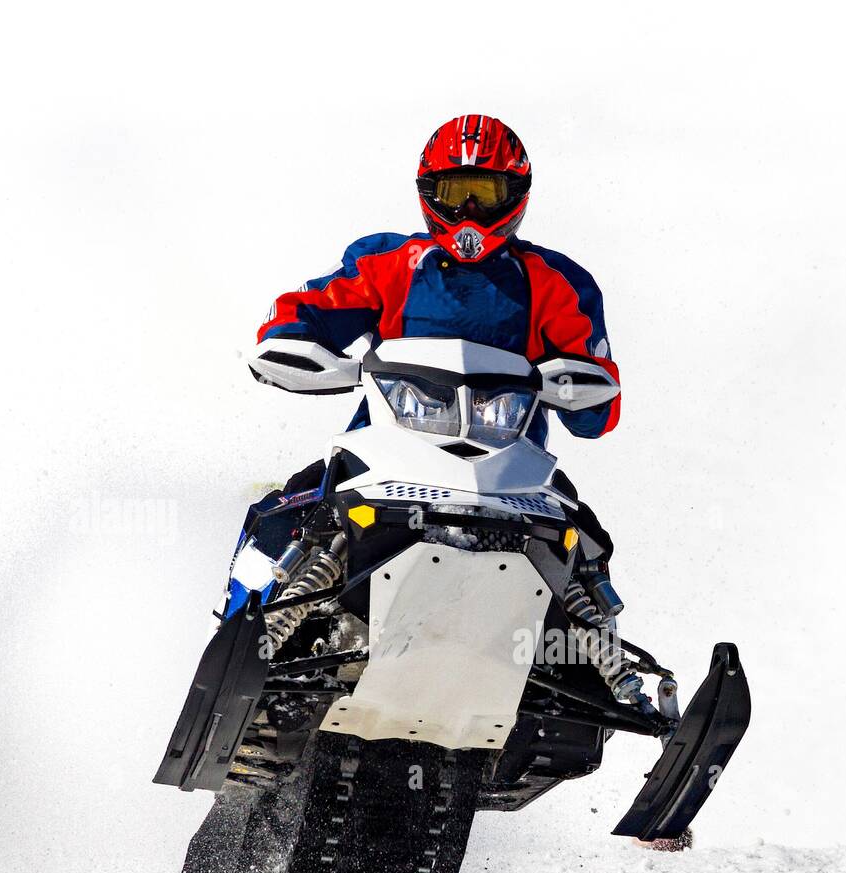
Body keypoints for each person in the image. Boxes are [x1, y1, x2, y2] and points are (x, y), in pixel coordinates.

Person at [248, 113, 619, 550]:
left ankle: (582, 618)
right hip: (385, 459)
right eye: (455, 192)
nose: (469, 210)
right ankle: (254, 614)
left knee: (589, 545)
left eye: (484, 192)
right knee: (282, 515)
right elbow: (307, 306)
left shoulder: (559, 282)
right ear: (430, 193)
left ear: (514, 194)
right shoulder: (386, 262)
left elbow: (597, 413)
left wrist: (581, 388)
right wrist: (291, 339)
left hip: (511, 475)